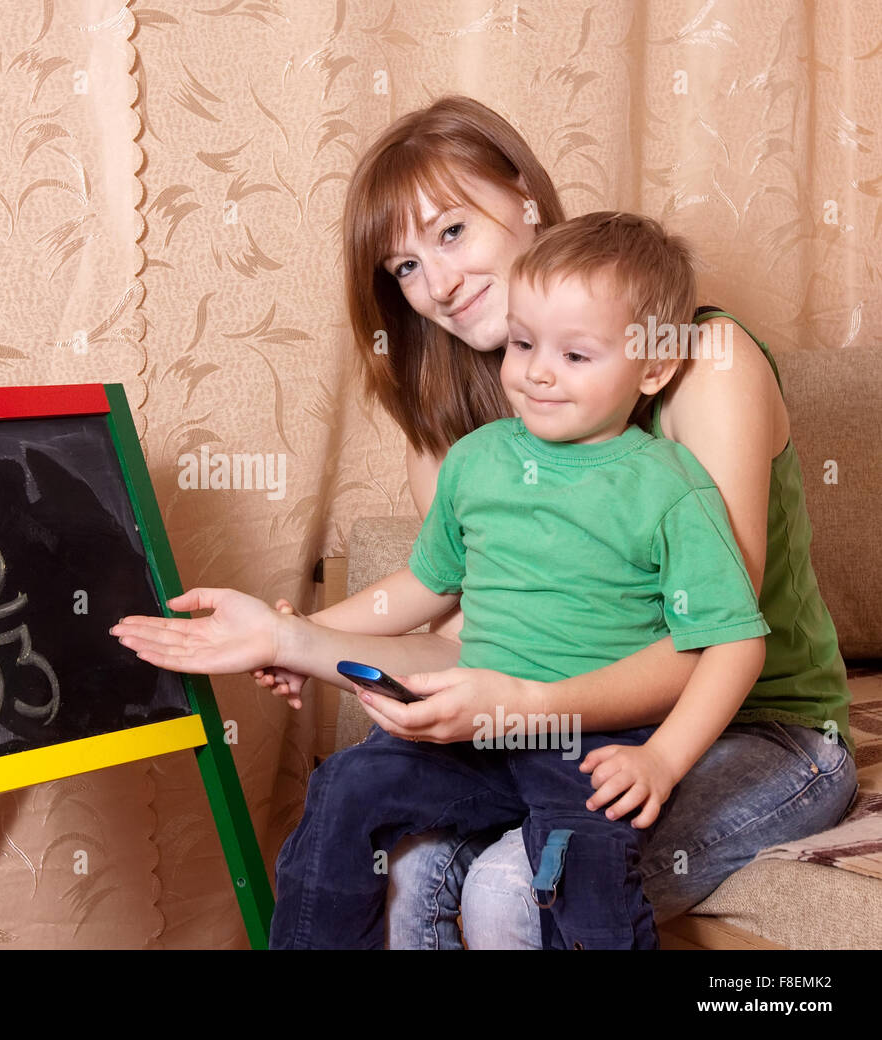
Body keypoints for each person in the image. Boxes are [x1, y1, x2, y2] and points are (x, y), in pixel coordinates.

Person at [116, 96, 856, 949]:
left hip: (754, 727)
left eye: (452, 232)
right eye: (403, 268)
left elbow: (708, 646)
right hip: (556, 724)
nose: (436, 283)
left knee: (517, 883)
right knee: (412, 867)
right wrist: (297, 640)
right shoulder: (470, 443)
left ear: (525, 198)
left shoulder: (701, 360)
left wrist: (520, 705)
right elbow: (468, 638)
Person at [271, 210, 773, 948]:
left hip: (591, 735)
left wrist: (661, 758)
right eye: (524, 342)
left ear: (654, 368)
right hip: (480, 725)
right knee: (346, 786)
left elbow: (732, 643)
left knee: (578, 872)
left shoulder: (669, 488)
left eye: (576, 356)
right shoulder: (476, 460)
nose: (537, 371)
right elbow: (424, 586)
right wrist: (304, 637)